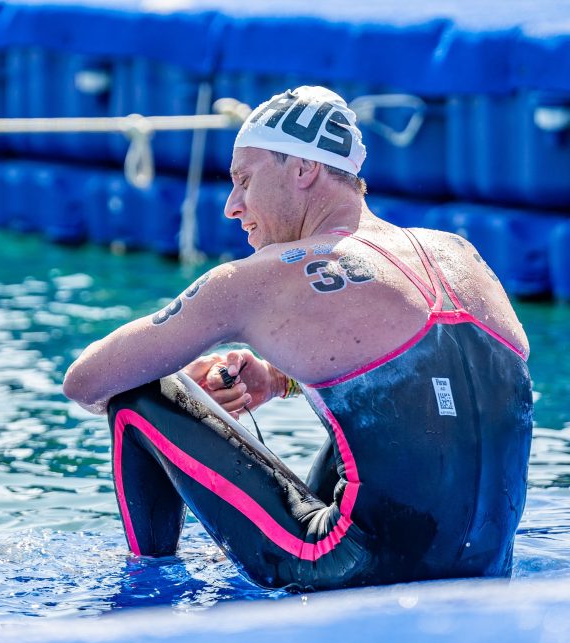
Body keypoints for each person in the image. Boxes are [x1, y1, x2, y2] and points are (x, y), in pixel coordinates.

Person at [63, 86, 533, 592]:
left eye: (244, 179)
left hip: (346, 571)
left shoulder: (260, 277)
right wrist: (276, 381)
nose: (232, 206)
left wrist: (183, 385)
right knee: (372, 422)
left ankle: (146, 594)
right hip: (487, 570)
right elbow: (418, 378)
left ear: (304, 170)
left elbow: (86, 381)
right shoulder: (459, 256)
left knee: (140, 393)